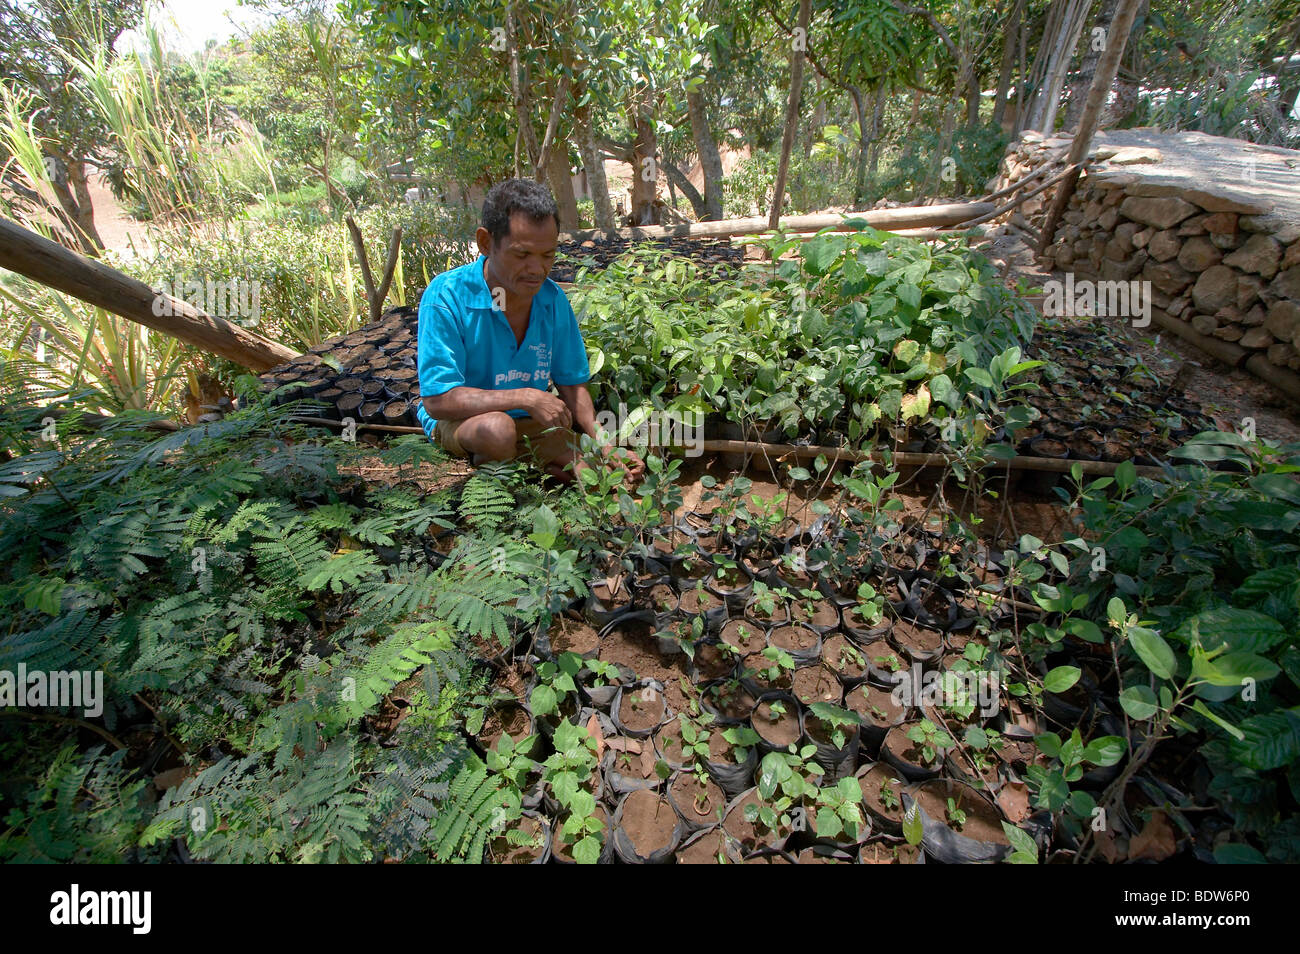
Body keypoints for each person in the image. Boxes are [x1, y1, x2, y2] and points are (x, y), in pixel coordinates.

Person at [415, 178, 645, 484]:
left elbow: (572, 385)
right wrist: (524, 396)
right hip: (465, 422)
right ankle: (497, 485)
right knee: (497, 431)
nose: (537, 269)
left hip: (528, 421)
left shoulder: (551, 301)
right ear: (486, 243)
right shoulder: (447, 296)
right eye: (522, 255)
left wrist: (606, 446)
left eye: (547, 255)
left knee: (602, 479)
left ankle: (536, 463)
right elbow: (438, 400)